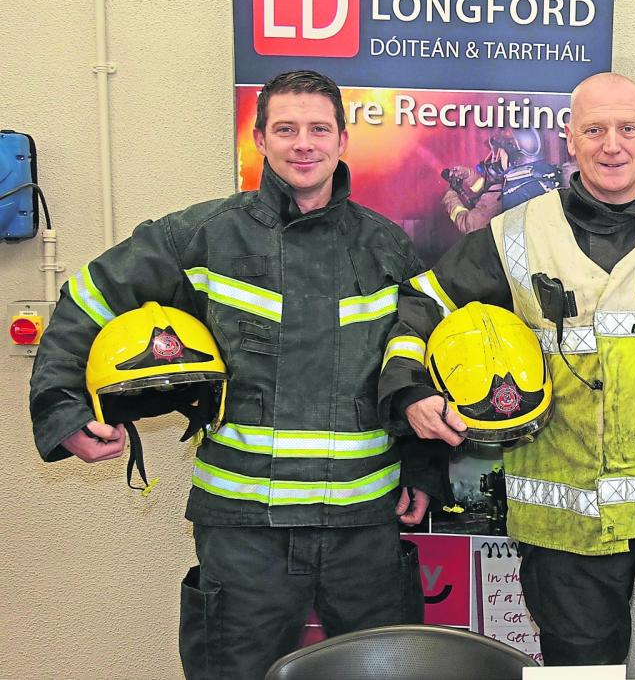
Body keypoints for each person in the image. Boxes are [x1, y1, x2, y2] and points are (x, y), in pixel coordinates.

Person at [29, 70, 441, 680]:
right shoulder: (201, 236)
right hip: (245, 532)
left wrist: (422, 465)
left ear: (342, 140)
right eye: (286, 128)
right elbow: (90, 296)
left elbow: (419, 359)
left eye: (319, 128)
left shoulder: (386, 248)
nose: (304, 143)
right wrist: (63, 409)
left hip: (362, 528)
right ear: (259, 139)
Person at [379, 72, 635, 678]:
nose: (610, 144)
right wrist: (410, 388)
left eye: (625, 129)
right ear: (570, 139)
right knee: (577, 673)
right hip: (565, 527)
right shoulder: (516, 235)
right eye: (594, 129)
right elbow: (424, 302)